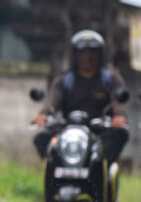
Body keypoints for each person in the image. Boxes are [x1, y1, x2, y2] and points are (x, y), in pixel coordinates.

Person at [32, 29, 129, 166]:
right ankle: (55, 173)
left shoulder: (110, 79)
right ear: (74, 54)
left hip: (99, 133)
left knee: (120, 135)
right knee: (41, 139)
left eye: (92, 51)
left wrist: (119, 116)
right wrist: (43, 114)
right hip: (68, 132)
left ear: (100, 54)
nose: (87, 56)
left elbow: (118, 104)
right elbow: (52, 102)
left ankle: (102, 170)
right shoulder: (64, 81)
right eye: (82, 51)